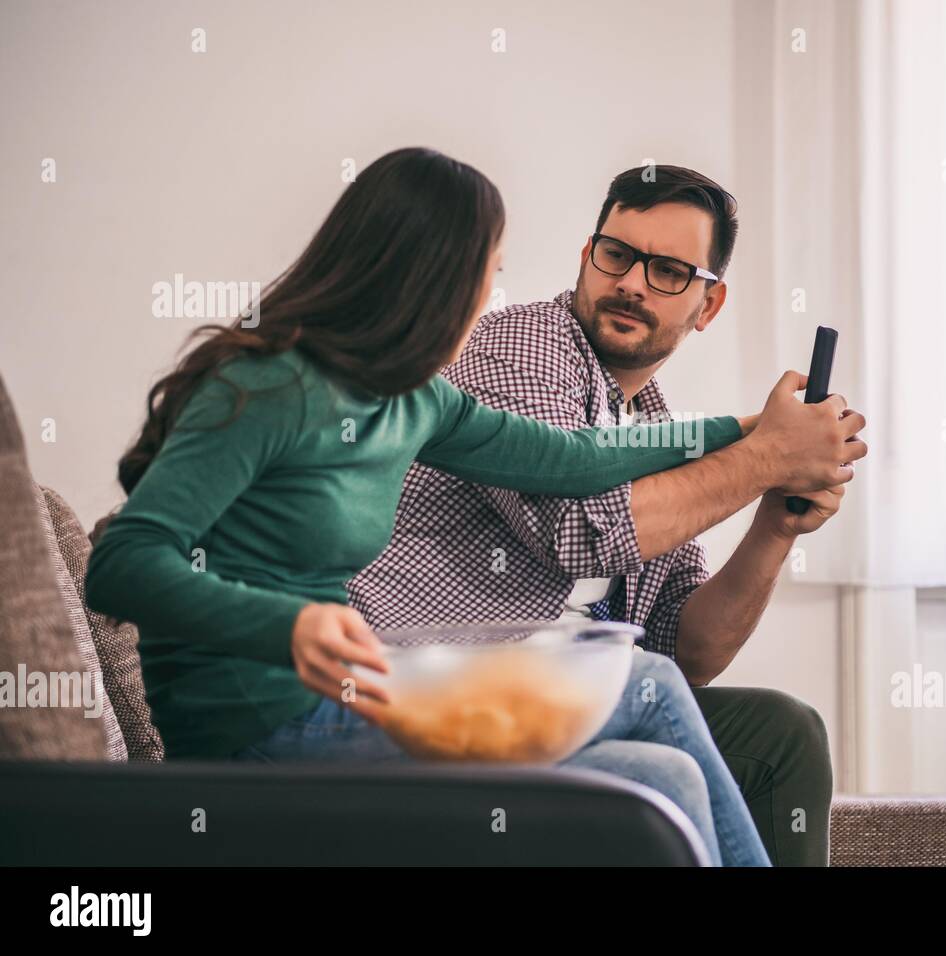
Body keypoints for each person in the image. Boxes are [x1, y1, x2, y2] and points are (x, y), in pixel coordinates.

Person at [84, 148, 866, 867]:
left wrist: (748, 430)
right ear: (428, 277)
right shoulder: (267, 385)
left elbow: (576, 460)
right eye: (486, 274)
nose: (490, 297)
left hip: (355, 711)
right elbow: (123, 564)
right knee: (650, 684)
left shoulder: (413, 401)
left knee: (660, 776)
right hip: (258, 730)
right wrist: (286, 625)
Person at [349, 164, 864, 865]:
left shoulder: (652, 421)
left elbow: (690, 651)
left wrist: (773, 523)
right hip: (448, 693)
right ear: (588, 257)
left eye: (669, 272)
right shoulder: (521, 349)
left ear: (708, 306)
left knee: (782, 732)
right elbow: (578, 531)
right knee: (652, 709)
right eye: (617, 255)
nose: (632, 283)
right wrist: (768, 456)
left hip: (569, 703)